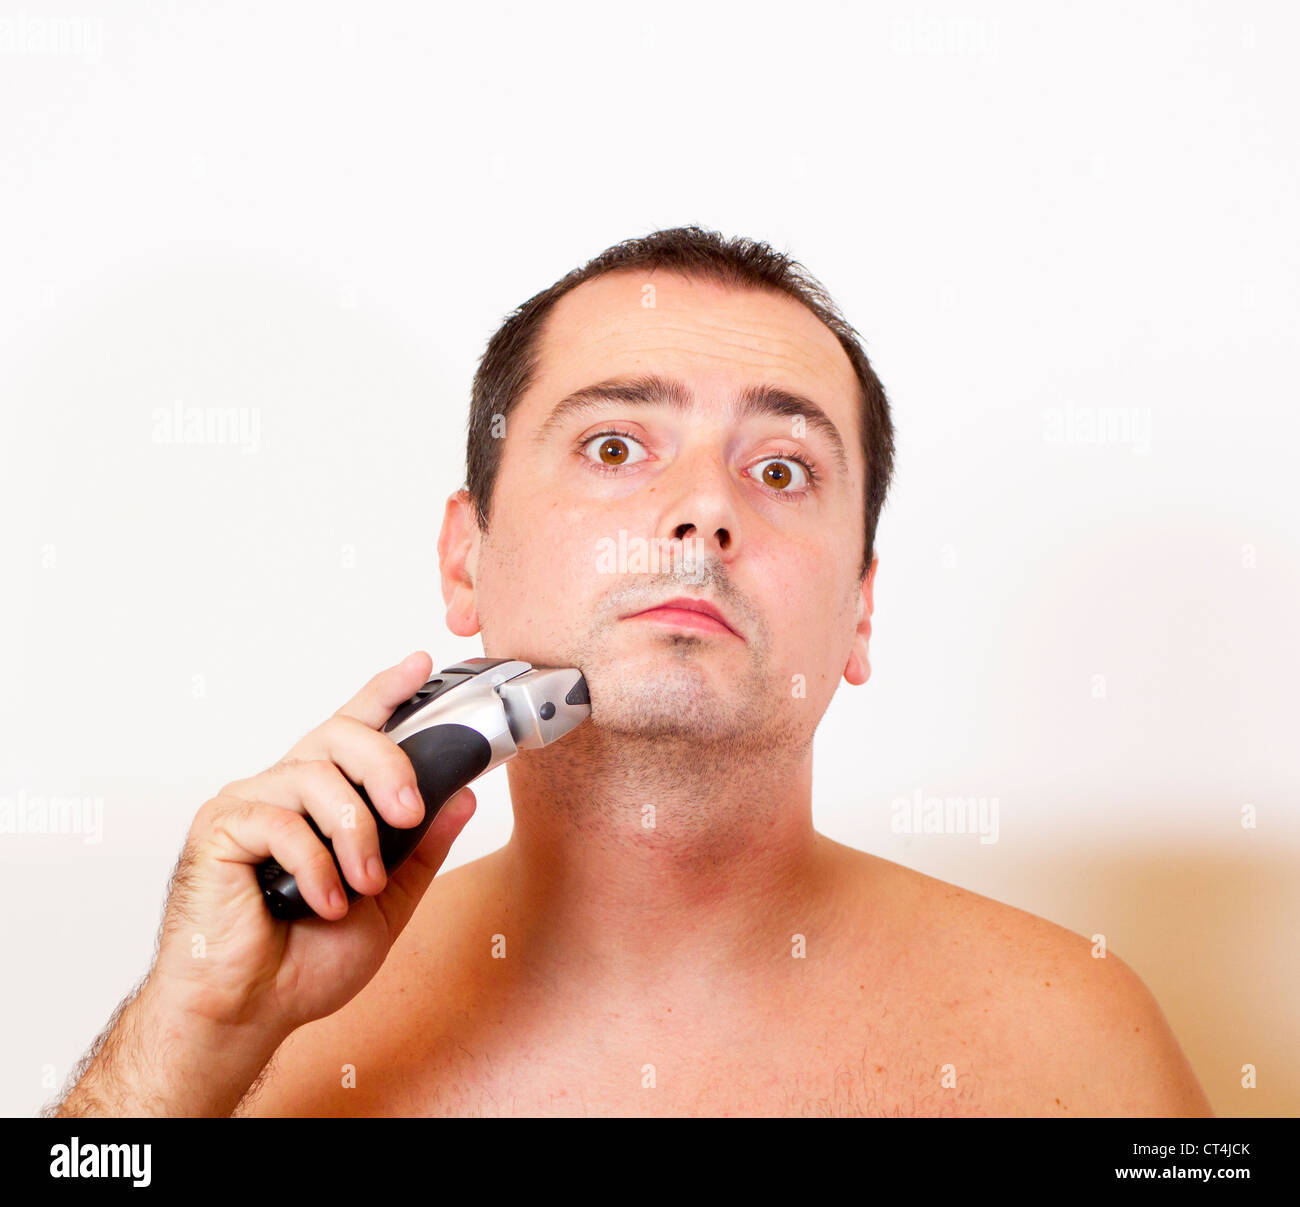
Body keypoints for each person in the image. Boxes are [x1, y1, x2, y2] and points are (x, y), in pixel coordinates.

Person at [50, 227, 1211, 1117]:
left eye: (783, 468)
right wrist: (182, 1040)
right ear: (468, 559)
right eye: (615, 446)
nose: (704, 506)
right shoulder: (256, 1050)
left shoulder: (1074, 1047)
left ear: (859, 608)